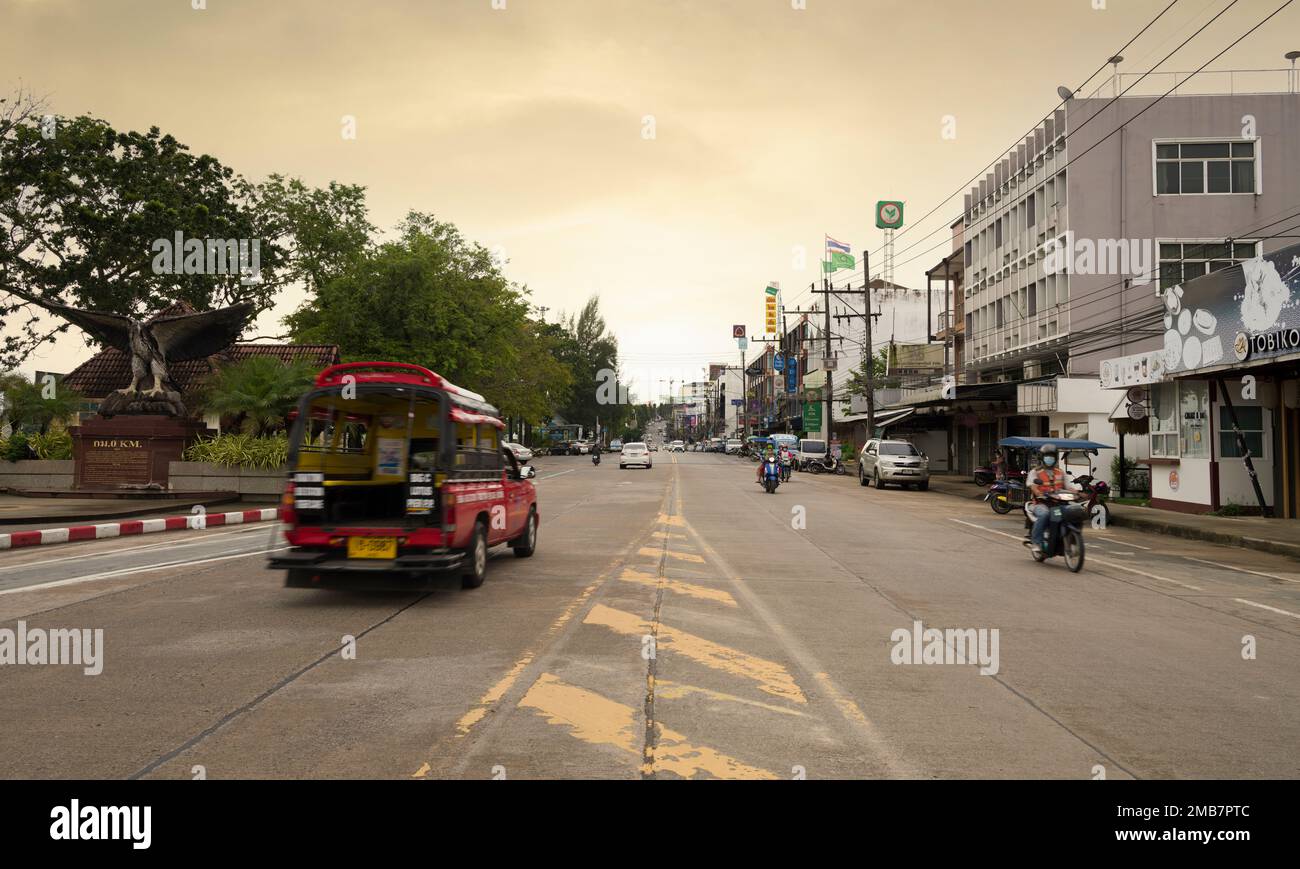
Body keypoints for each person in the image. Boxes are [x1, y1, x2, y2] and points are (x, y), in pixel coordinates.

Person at [1028, 444, 1076, 551]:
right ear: (1042, 457)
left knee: (1074, 512)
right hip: (1040, 504)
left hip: (1059, 504)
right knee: (1045, 514)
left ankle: (1070, 538)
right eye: (1047, 456)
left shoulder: (1060, 472)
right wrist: (1038, 493)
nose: (1050, 458)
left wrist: (1078, 493)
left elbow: (1069, 487)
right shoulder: (1035, 472)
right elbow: (1033, 486)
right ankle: (1036, 542)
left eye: (1052, 456)